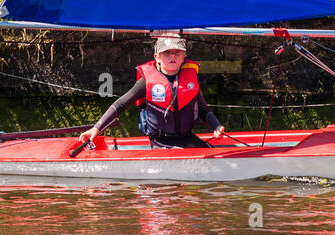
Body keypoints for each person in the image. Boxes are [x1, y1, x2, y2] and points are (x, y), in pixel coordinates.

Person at [79, 35, 226, 150]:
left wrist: (216, 126)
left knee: (215, 157)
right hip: (161, 142)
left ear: (183, 57)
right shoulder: (146, 81)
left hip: (187, 138)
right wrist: (96, 128)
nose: (172, 56)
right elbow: (121, 104)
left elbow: (202, 109)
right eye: (167, 53)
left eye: (177, 52)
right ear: (157, 57)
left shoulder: (190, 78)